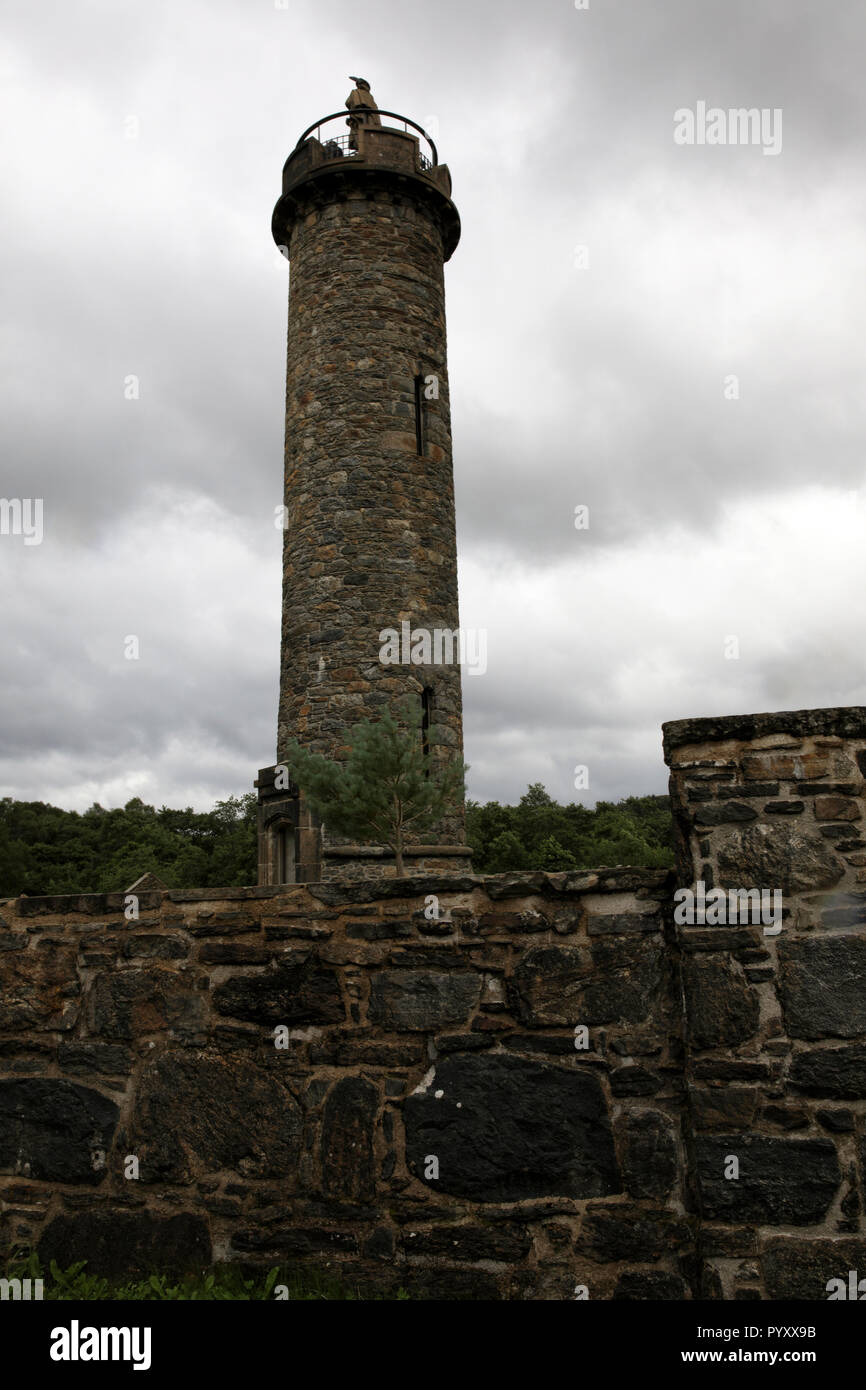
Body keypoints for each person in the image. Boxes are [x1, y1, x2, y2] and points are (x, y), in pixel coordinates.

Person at [346, 76, 381, 149]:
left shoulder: (355, 92)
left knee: (358, 130)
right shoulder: (370, 96)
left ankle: (360, 147)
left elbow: (347, 102)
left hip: (358, 114)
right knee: (367, 131)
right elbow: (375, 109)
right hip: (370, 117)